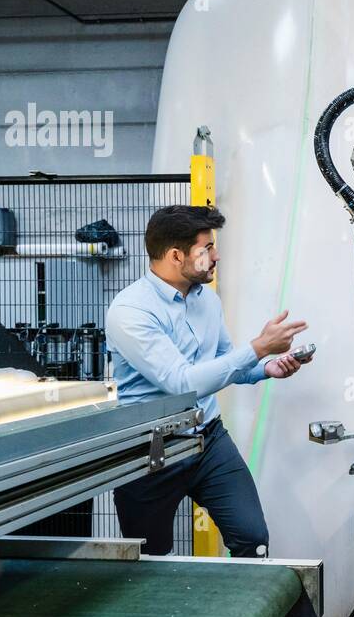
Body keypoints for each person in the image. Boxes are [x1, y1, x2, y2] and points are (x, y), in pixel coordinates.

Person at [105, 204, 310, 557]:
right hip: (148, 450)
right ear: (175, 255)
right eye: (206, 249)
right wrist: (258, 347)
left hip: (208, 439)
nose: (216, 256)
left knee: (252, 539)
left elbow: (222, 364)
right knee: (149, 561)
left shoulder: (207, 301)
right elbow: (182, 383)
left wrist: (265, 367)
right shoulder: (130, 311)